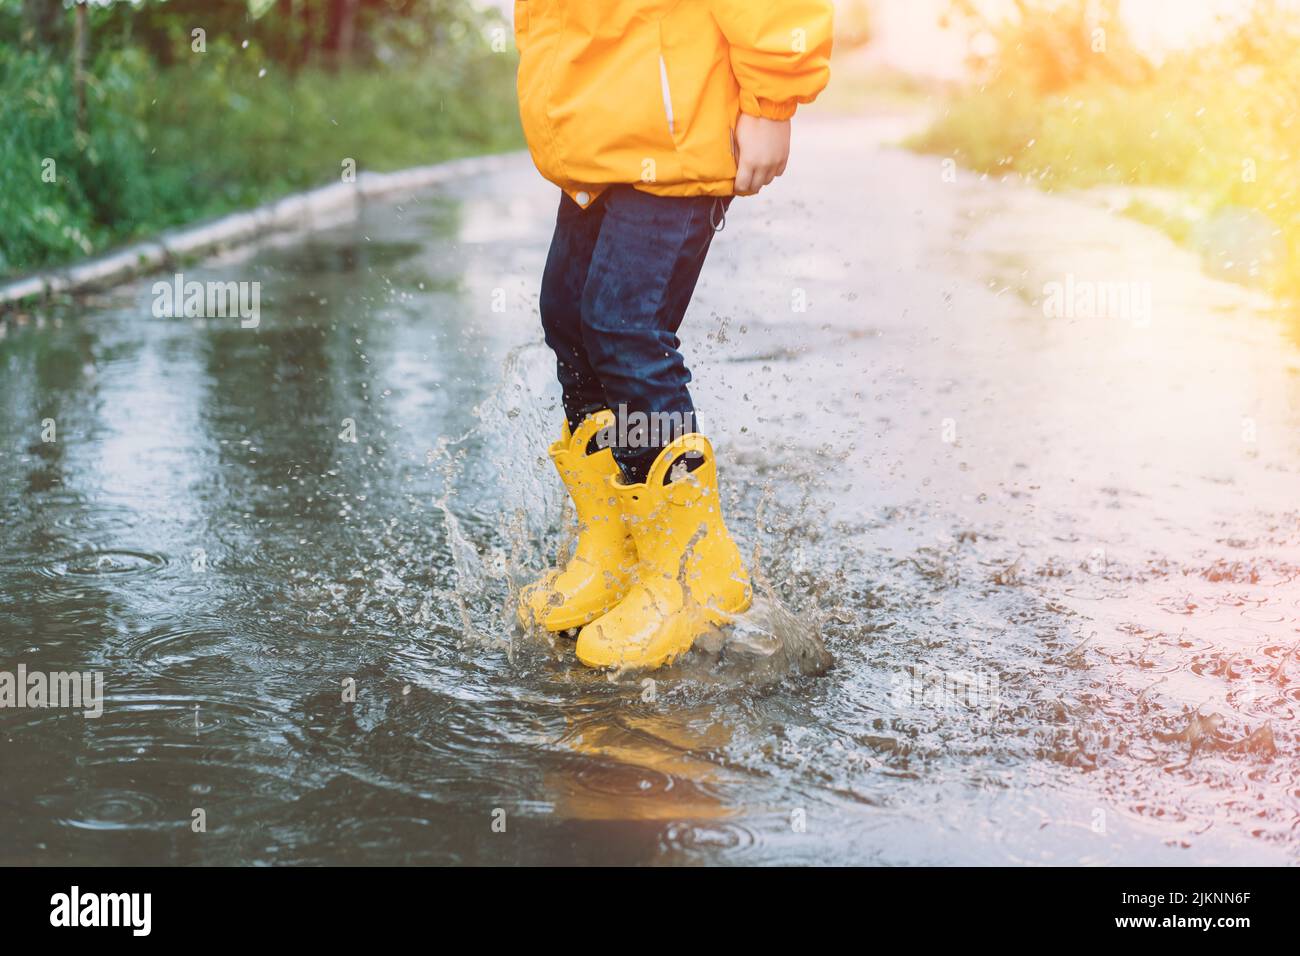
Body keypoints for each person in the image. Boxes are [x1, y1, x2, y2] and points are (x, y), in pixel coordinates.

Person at [514, 1, 834, 669]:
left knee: (622, 328)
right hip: (601, 120)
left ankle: (691, 570)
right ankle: (620, 551)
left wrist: (772, 100)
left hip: (673, 127)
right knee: (569, 319)